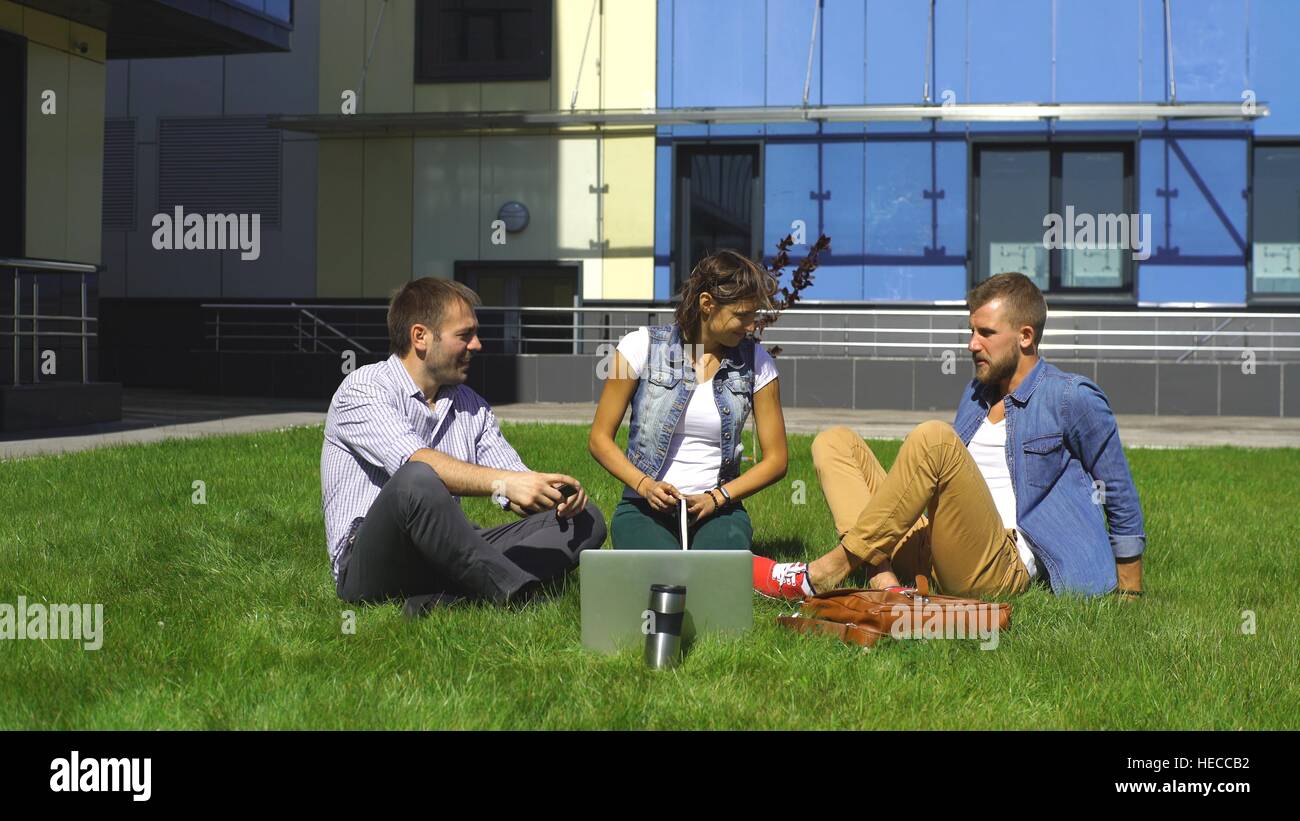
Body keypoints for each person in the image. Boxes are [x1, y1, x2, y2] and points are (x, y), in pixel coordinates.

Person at [754, 272, 1146, 601]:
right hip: (937, 547)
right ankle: (884, 580)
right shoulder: (978, 393)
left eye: (985, 333)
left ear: (1025, 336)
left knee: (935, 440)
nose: (971, 344)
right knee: (834, 441)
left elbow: (1117, 490)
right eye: (971, 330)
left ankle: (831, 569)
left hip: (998, 563)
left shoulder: (1070, 397)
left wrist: (1130, 593)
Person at [322, 277, 606, 616]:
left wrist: (551, 495)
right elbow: (416, 464)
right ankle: (517, 596)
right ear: (420, 337)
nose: (477, 345)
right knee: (417, 479)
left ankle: (447, 599)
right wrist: (506, 483)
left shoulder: (472, 405)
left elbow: (511, 479)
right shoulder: (364, 388)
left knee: (586, 520)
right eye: (465, 335)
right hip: (371, 563)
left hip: (446, 547)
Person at [587, 250, 788, 559]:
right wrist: (645, 486)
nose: (750, 326)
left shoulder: (758, 363)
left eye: (753, 316)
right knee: (661, 574)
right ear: (707, 304)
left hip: (720, 507)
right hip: (644, 505)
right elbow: (599, 439)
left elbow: (777, 460)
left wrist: (717, 498)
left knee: (713, 578)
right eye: (742, 315)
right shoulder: (637, 346)